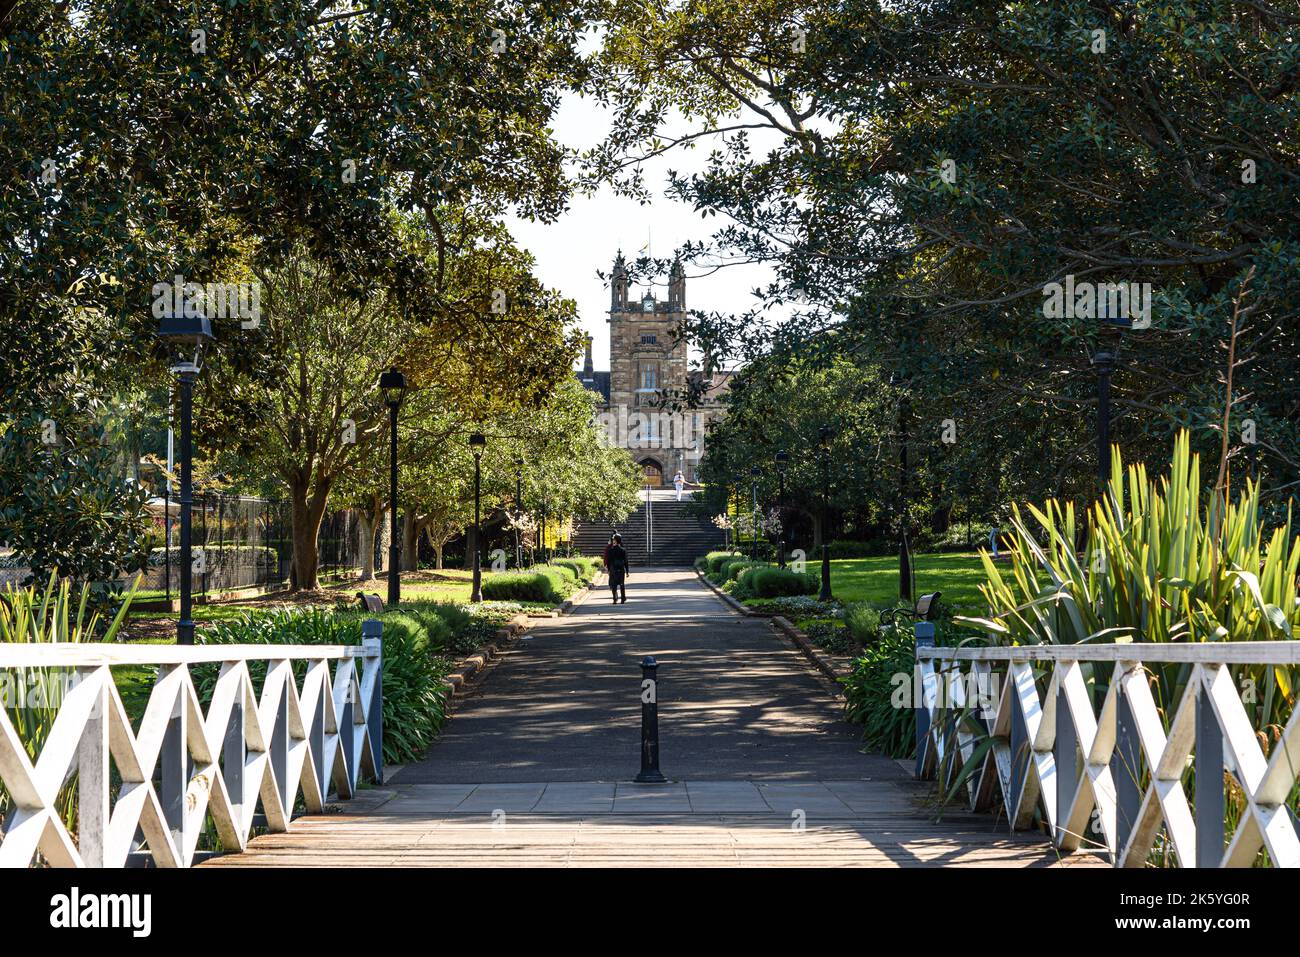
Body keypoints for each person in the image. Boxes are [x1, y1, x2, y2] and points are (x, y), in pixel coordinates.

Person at [606, 533, 629, 604]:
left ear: (615, 541)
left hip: (613, 569)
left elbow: (608, 561)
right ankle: (623, 598)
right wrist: (627, 571)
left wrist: (609, 570)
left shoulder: (610, 550)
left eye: (613, 540)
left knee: (614, 584)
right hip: (621, 569)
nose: (613, 541)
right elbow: (626, 561)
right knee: (622, 584)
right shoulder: (623, 550)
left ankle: (615, 598)